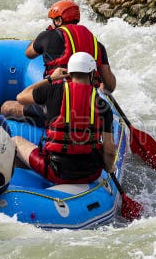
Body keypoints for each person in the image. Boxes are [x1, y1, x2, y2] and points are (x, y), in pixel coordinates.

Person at [0, 0, 116, 126]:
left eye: (53, 20)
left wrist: (47, 32)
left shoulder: (48, 36)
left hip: (56, 102)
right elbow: (109, 85)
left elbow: (29, 53)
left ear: (59, 20)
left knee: (7, 107)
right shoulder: (97, 45)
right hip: (90, 104)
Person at [12, 52, 116, 184]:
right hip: (91, 174)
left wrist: (50, 78)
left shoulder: (51, 90)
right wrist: (109, 167)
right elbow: (109, 150)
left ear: (69, 73)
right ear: (92, 74)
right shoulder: (103, 106)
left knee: (15, 141)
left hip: (55, 173)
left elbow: (20, 97)